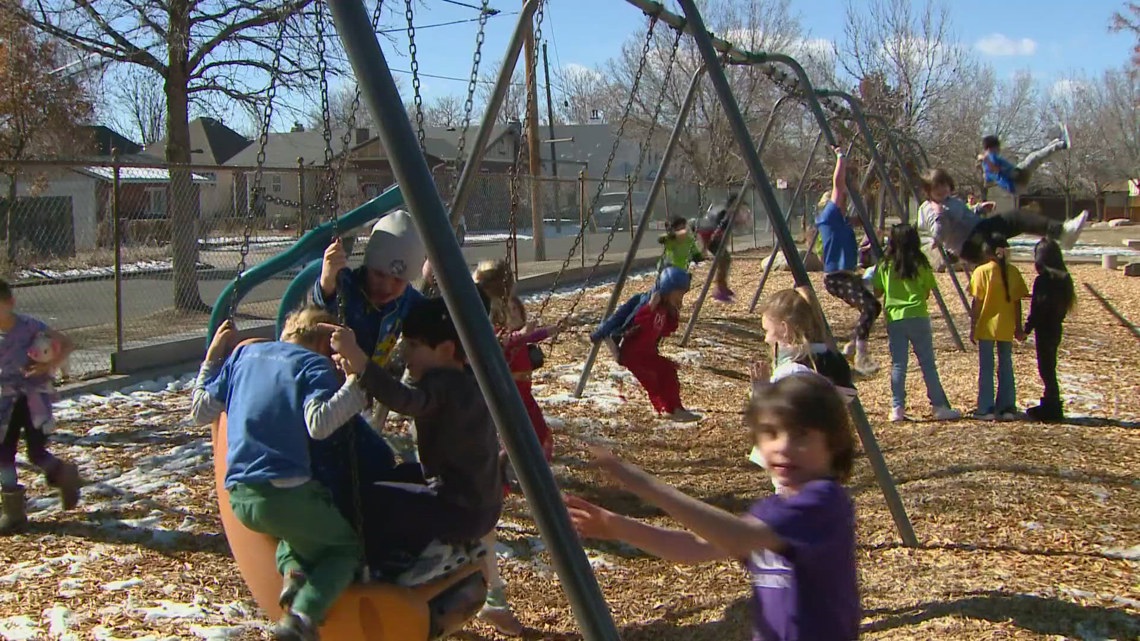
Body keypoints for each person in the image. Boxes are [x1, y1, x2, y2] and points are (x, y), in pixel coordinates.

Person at [566, 373, 860, 641]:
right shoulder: (774, 509)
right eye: (771, 433)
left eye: (801, 435)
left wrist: (644, 485)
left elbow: (738, 537)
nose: (782, 446)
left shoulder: (823, 503)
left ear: (833, 443)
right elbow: (695, 547)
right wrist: (617, 526)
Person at [190, 309, 370, 640]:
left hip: (240, 496)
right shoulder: (312, 364)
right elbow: (319, 424)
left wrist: (212, 358)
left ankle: (295, 572)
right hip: (284, 492)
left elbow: (201, 411)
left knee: (297, 527)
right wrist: (356, 384)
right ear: (324, 343)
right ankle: (303, 617)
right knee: (343, 549)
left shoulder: (243, 356)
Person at [326, 295, 503, 588]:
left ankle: (419, 556)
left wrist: (359, 359)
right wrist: (359, 372)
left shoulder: (444, 385)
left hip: (458, 510)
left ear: (446, 350)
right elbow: (402, 386)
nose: (405, 352)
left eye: (414, 345)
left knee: (375, 501)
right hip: (480, 505)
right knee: (398, 476)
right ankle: (456, 544)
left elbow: (404, 399)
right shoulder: (468, 379)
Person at [477, 294, 559, 636]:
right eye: (509, 310)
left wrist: (552, 329)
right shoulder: (499, 337)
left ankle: (533, 478)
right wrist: (524, 333)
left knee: (540, 439)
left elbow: (529, 336)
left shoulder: (516, 337)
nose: (514, 313)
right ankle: (516, 476)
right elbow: (512, 339)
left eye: (517, 309)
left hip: (525, 395)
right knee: (513, 445)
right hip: (511, 397)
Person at [750, 288, 856, 490]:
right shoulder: (824, 362)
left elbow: (779, 419)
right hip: (820, 463)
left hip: (793, 468)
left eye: (767, 331)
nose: (765, 339)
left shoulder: (792, 373)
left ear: (784, 329)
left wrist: (762, 392)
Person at [0, 279, 80, 534]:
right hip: (4, 402)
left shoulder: (30, 327)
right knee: (3, 453)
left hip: (33, 400)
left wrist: (48, 366)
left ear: (11, 303)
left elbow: (67, 343)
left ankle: (64, 473)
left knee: (36, 452)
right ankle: (13, 513)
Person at [871, 224, 961, 422]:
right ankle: (938, 406)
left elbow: (877, 291)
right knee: (928, 364)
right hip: (918, 315)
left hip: (895, 318)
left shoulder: (885, 264)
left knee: (898, 365)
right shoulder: (921, 262)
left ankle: (897, 407)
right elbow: (927, 291)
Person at [590, 267, 700, 422]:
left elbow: (667, 330)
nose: (681, 298)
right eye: (678, 294)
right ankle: (664, 409)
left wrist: (674, 314)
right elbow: (636, 321)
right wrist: (650, 307)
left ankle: (675, 408)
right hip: (632, 354)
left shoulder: (665, 310)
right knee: (653, 381)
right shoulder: (647, 306)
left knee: (668, 371)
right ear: (667, 290)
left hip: (648, 353)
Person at [918, 168, 1088, 267]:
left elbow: (962, 216)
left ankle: (1062, 233)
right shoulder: (931, 209)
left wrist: (979, 209)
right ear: (928, 191)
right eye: (936, 188)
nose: (941, 190)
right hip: (968, 244)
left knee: (1017, 217)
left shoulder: (950, 201)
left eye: (944, 185)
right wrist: (939, 223)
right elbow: (939, 231)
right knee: (996, 241)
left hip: (978, 230)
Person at [815, 146, 881, 376]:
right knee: (870, 306)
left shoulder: (841, 221)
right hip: (836, 277)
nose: (843, 201)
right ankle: (860, 354)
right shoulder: (829, 216)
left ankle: (853, 346)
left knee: (873, 305)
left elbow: (855, 224)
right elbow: (838, 185)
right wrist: (841, 158)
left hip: (847, 275)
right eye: (840, 200)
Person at [968, 238, 1028, 421]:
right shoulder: (1013, 271)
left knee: (986, 367)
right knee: (1006, 365)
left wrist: (973, 326)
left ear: (987, 252)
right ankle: (1007, 406)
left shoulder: (981, 272)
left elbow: (977, 302)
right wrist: (1018, 326)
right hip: (1006, 324)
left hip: (986, 326)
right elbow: (1017, 302)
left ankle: (986, 408)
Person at [1022, 238, 1075, 421]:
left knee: (1046, 368)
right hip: (1055, 327)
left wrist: (1027, 328)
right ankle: (1051, 403)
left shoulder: (1043, 281)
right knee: (1050, 366)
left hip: (1044, 328)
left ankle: (1052, 407)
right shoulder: (1064, 279)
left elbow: (1038, 308)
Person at [980, 127, 1070, 196]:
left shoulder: (987, 162)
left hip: (1016, 182)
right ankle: (1063, 144)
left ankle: (1057, 142)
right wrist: (986, 161)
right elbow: (995, 169)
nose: (999, 150)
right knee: (1034, 157)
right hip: (1016, 179)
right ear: (992, 147)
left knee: (1036, 157)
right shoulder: (990, 157)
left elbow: (987, 183)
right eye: (998, 147)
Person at [696, 194, 744, 302]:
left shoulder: (727, 212)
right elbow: (711, 229)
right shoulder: (724, 214)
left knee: (725, 260)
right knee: (723, 261)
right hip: (707, 235)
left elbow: (725, 231)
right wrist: (704, 248)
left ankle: (723, 287)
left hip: (711, 236)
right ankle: (719, 290)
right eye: (738, 204)